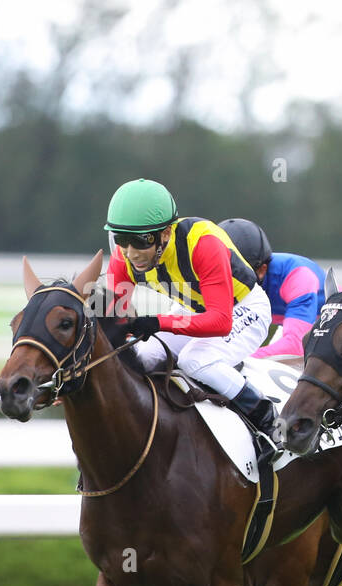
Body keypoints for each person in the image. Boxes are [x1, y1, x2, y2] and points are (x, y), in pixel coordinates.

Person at [102, 179, 280, 462]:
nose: (131, 252)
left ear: (166, 233)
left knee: (196, 360)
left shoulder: (202, 243)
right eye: (121, 239)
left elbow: (219, 322)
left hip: (243, 309)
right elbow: (108, 322)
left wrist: (158, 322)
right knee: (144, 359)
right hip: (194, 311)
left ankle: (268, 419)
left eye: (141, 240)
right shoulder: (122, 259)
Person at [217, 218, 327, 362]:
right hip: (288, 325)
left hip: (321, 328)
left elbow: (296, 347)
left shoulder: (299, 278)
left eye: (234, 276)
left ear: (262, 270)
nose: (225, 284)